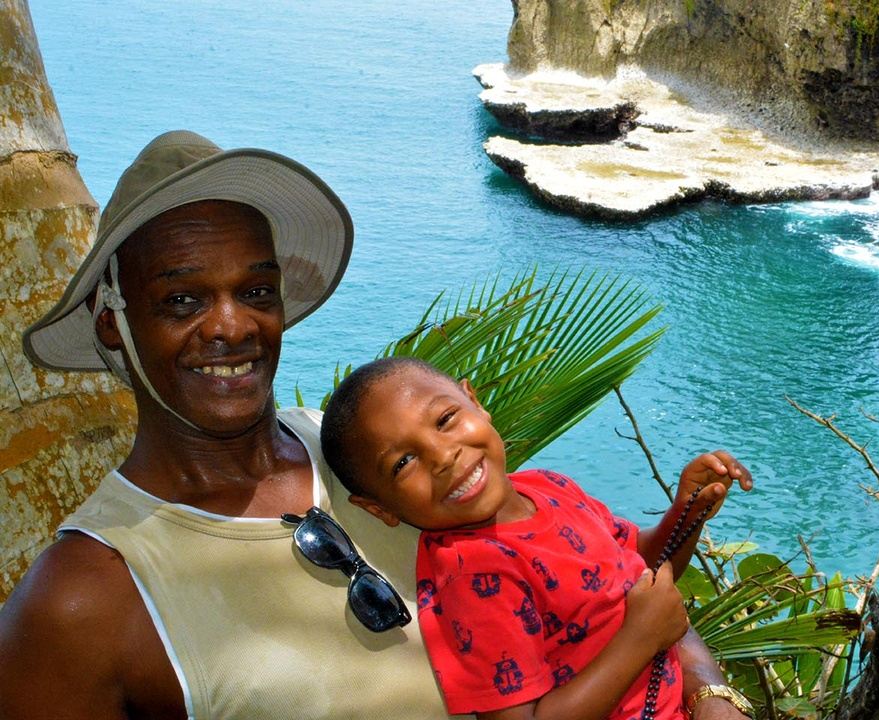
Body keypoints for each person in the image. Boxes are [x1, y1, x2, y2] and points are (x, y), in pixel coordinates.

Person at [0, 131, 751, 720]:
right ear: (111, 326)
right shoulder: (82, 604)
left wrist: (714, 693)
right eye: (182, 301)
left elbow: (607, 586)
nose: (231, 326)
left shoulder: (366, 450)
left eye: (256, 290)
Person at [319, 356, 757, 720]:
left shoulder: (548, 487)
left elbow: (639, 570)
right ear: (380, 508)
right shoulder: (473, 576)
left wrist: (687, 512)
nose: (443, 456)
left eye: (446, 419)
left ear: (475, 402)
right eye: (403, 462)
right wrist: (642, 637)